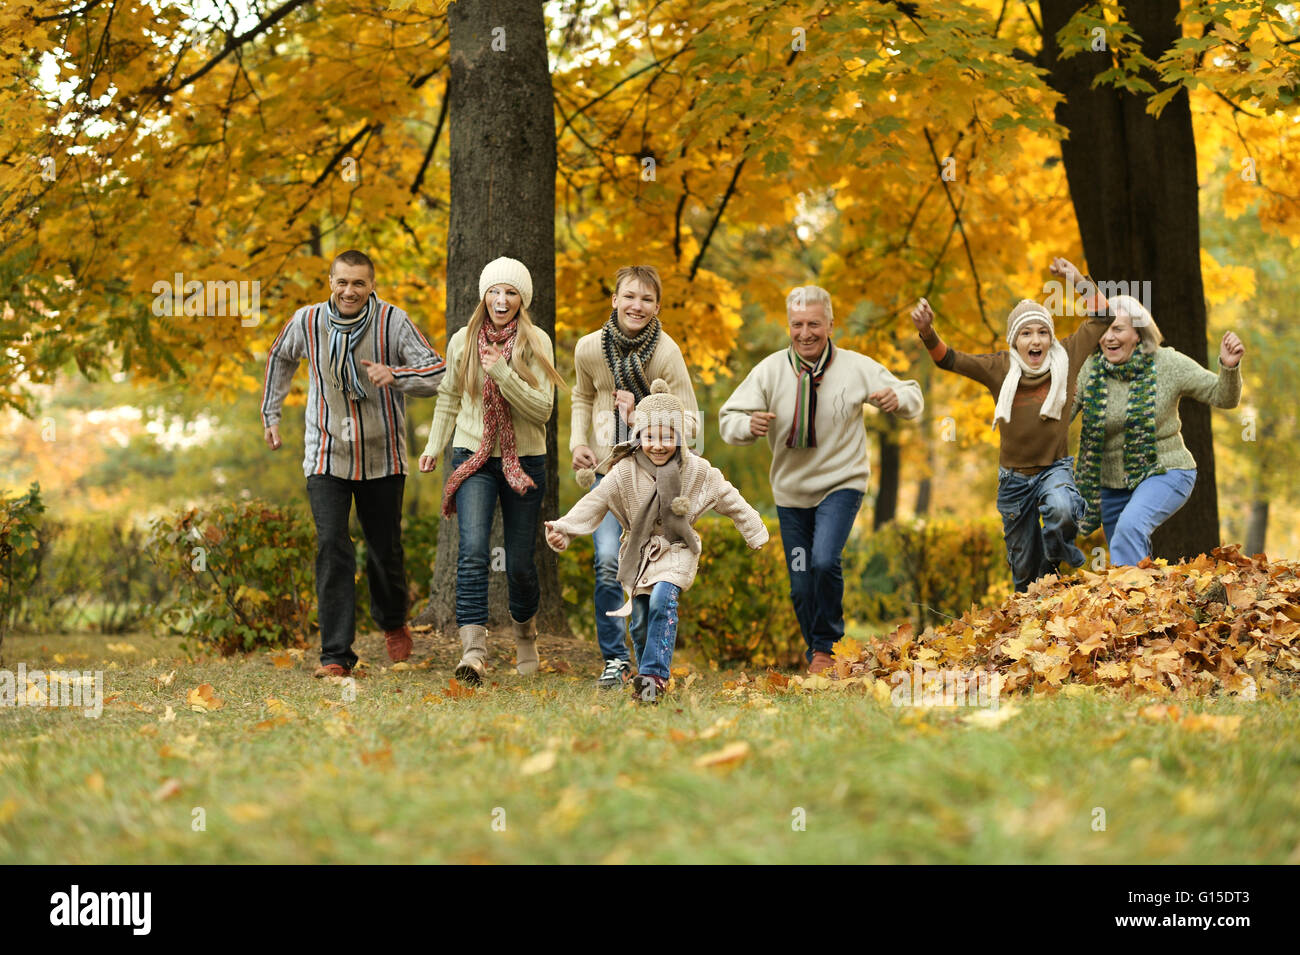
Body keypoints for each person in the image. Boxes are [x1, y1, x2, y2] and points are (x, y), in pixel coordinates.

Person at [261, 249, 446, 678]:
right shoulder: (307, 321)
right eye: (342, 282)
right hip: (325, 451)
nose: (350, 291)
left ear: (371, 285)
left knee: (384, 550)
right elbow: (279, 357)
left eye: (359, 283)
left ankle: (392, 619)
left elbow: (437, 372)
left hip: (382, 456)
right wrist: (271, 415)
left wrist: (397, 376)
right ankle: (336, 655)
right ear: (330, 282)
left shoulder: (393, 322)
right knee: (332, 545)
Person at [720, 286, 923, 674]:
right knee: (800, 580)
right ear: (788, 327)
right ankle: (818, 649)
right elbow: (729, 418)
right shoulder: (770, 370)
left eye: (814, 323)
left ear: (831, 324)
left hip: (840, 484)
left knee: (825, 559)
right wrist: (748, 424)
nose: (806, 333)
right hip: (792, 494)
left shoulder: (854, 366)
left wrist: (898, 401)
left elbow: (910, 393)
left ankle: (826, 649)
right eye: (797, 325)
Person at [546, 380, 768, 703]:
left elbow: (728, 496)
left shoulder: (697, 471)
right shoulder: (623, 471)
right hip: (639, 554)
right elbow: (595, 502)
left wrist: (754, 530)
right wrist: (564, 528)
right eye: (650, 436)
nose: (658, 445)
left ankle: (653, 678)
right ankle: (646, 670)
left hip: (676, 549)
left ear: (680, 438)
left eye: (667, 437)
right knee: (639, 622)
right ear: (639, 437)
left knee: (664, 598)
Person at [909, 257, 1112, 593]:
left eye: (1043, 332)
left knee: (1062, 510)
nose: (1036, 340)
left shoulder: (1068, 355)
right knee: (1024, 575)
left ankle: (1055, 557)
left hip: (1054, 469)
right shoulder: (999, 368)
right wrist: (928, 332)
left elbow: (1104, 317)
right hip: (1014, 481)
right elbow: (948, 359)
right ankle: (1038, 593)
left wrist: (1077, 278)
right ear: (1014, 341)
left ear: (1051, 338)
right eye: (1027, 333)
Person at [418, 257, 567, 685]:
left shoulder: (537, 342)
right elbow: (448, 398)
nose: (501, 300)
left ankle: (525, 635)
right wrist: (433, 446)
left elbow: (542, 411)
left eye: (511, 292)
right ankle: (473, 652)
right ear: (484, 295)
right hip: (472, 456)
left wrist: (502, 373)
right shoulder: (462, 341)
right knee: (472, 553)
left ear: (523, 299)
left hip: (525, 458)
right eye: (494, 291)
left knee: (520, 562)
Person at [569, 265, 699, 688]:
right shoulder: (589, 349)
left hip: (653, 482)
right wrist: (577, 442)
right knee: (607, 562)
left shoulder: (666, 353)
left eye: (646, 299)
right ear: (614, 299)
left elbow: (691, 425)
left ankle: (648, 660)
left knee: (649, 572)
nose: (636, 306)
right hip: (609, 474)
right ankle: (614, 658)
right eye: (629, 296)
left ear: (657, 306)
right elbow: (581, 395)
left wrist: (641, 406)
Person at [1073, 296, 1244, 565]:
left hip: (1166, 469)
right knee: (1124, 559)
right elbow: (1058, 416)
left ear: (1138, 334)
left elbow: (1223, 396)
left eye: (1117, 329)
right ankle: (1138, 605)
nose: (1108, 338)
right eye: (1103, 330)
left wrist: (1229, 366)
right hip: (1111, 483)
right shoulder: (1090, 370)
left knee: (1129, 529)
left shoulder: (1168, 364)